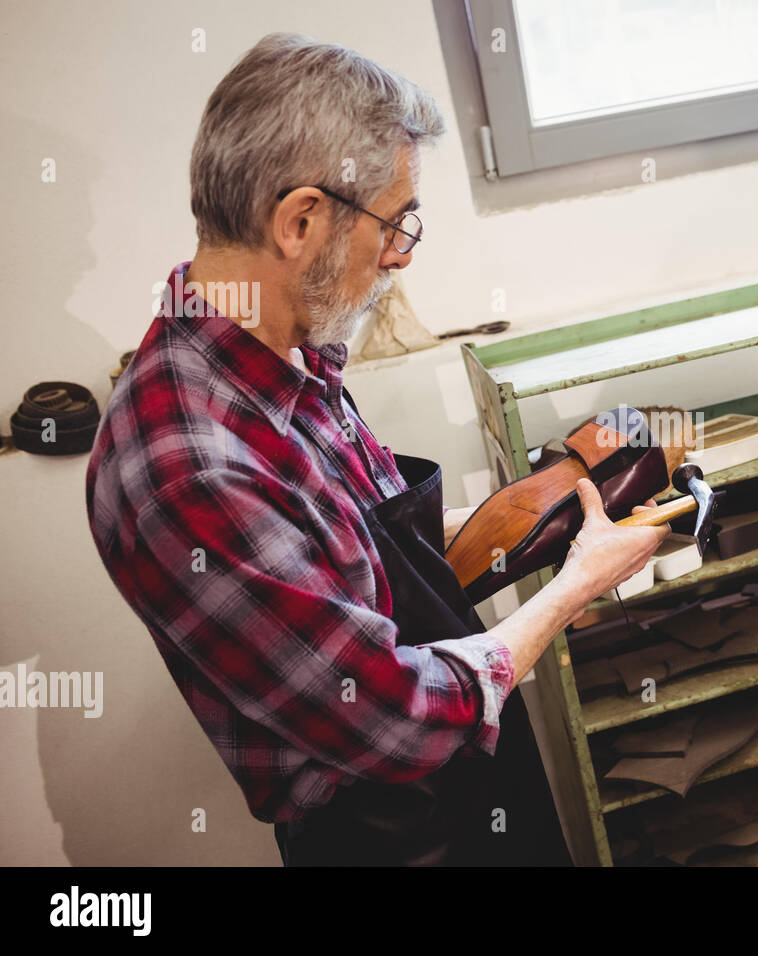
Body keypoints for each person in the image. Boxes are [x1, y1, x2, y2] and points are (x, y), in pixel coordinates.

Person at [85, 32, 668, 866]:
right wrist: (578, 586)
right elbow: (396, 717)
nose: (400, 253)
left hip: (462, 778)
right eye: (393, 224)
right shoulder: (192, 466)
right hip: (391, 832)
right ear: (300, 221)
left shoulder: (282, 347)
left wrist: (545, 510)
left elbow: (367, 558)